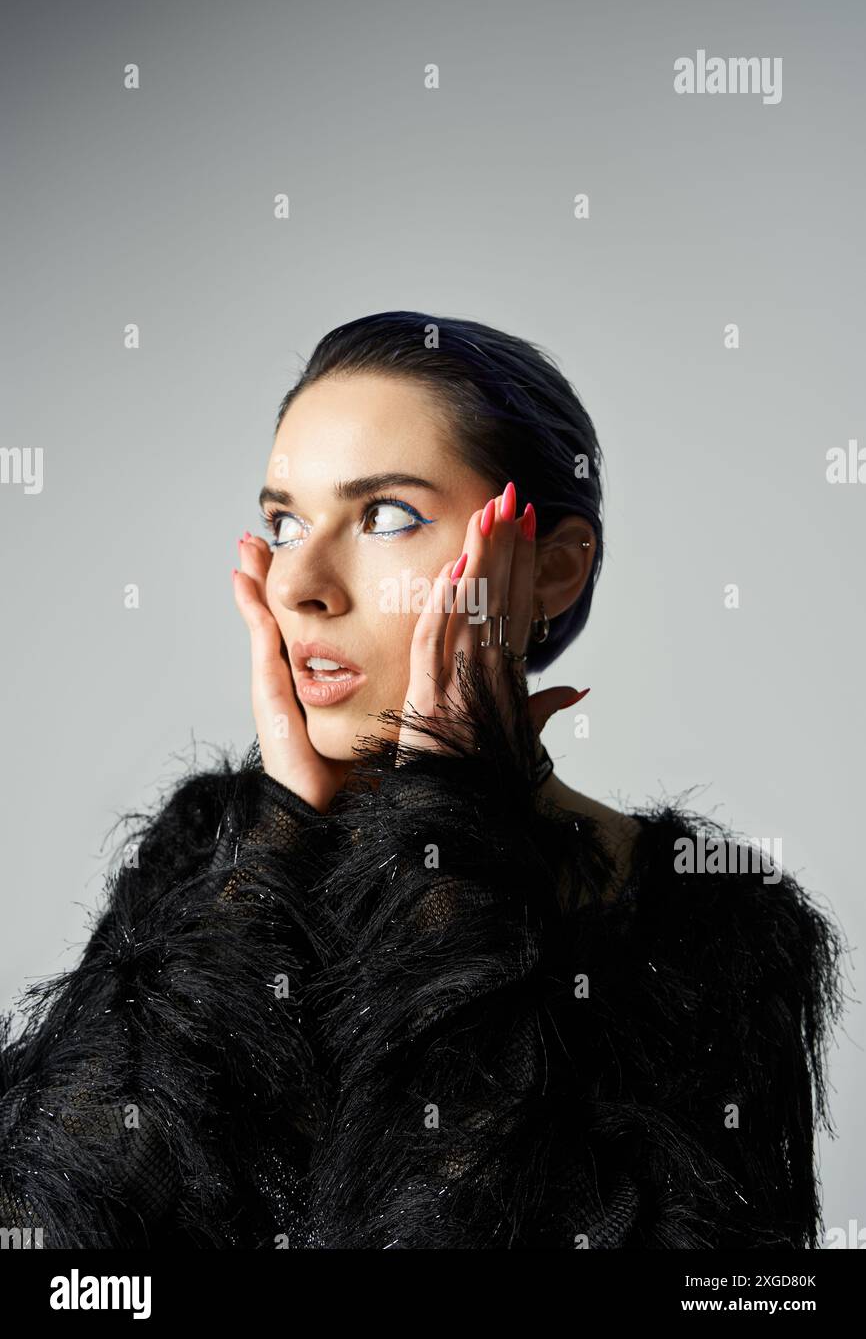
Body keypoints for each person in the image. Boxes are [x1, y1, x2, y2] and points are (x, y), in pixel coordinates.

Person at [0, 311, 847, 1250]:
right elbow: (54, 1233)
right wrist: (271, 842)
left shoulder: (714, 915)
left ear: (553, 570)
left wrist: (449, 835)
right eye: (283, 522)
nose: (298, 585)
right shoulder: (212, 851)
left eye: (386, 516)